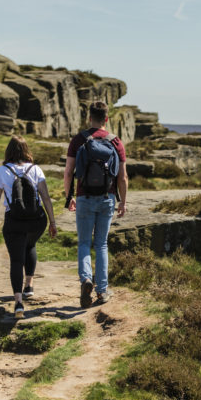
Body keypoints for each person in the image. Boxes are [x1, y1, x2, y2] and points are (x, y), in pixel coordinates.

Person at [64, 101, 128, 308]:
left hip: (84, 197)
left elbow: (68, 172)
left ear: (89, 117)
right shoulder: (115, 142)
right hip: (107, 198)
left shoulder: (78, 140)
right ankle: (101, 291)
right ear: (106, 119)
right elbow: (123, 177)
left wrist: (69, 197)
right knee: (101, 243)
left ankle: (86, 280)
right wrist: (122, 202)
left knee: (83, 243)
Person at [0, 135, 57, 318]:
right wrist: (52, 222)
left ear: (8, 151)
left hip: (15, 220)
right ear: (27, 151)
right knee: (30, 245)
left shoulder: (3, 171)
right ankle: (29, 286)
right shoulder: (35, 169)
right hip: (37, 220)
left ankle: (18, 303)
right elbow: (46, 197)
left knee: (16, 259)